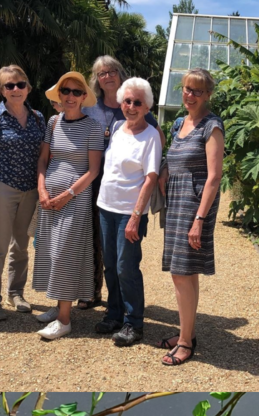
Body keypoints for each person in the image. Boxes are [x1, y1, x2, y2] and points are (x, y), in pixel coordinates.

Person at [80, 56, 165, 310]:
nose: (107, 76)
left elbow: (157, 142)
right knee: (98, 246)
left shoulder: (140, 114)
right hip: (98, 183)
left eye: (112, 71)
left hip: (128, 192)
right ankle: (97, 296)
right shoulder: (92, 108)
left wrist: (162, 170)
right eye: (102, 73)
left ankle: (129, 316)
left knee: (123, 262)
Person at [158, 68, 224, 366]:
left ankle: (185, 343)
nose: (190, 95)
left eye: (197, 91)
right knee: (184, 273)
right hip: (177, 202)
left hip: (195, 204)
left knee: (182, 273)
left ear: (208, 94)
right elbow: (170, 163)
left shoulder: (212, 126)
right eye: (186, 89)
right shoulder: (178, 124)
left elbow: (213, 178)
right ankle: (188, 332)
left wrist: (199, 219)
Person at [31, 72, 103, 339]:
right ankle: (59, 302)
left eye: (76, 92)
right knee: (50, 250)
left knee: (65, 253)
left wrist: (68, 194)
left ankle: (64, 320)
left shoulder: (93, 126)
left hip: (75, 198)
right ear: (59, 95)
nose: (70, 96)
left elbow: (93, 170)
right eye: (66, 91)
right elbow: (43, 160)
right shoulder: (53, 122)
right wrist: (41, 188)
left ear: (84, 97)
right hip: (48, 197)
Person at [95, 78, 161, 346]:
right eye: (127, 101)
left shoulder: (151, 136)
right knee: (110, 264)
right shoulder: (118, 127)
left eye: (137, 102)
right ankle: (114, 313)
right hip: (105, 207)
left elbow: (150, 178)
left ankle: (134, 323)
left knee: (126, 267)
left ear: (146, 106)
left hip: (128, 213)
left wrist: (136, 216)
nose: (131, 106)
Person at [0, 65, 44, 320]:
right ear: (1, 90)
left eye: (20, 84)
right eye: (9, 85)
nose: (16, 89)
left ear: (28, 87)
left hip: (30, 191)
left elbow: (42, 156)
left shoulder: (38, 117)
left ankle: (16, 293)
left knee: (22, 246)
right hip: (3, 188)